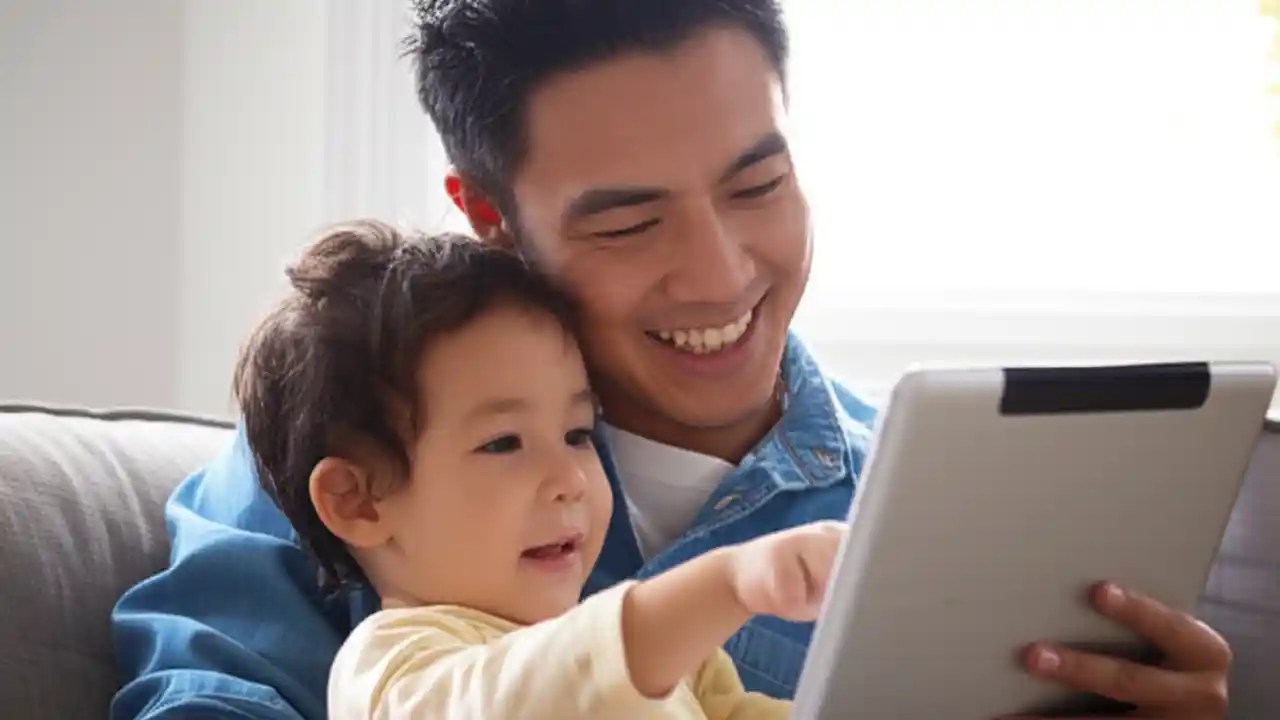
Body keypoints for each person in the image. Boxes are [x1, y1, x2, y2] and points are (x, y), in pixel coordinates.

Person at [110, 1, 1233, 718]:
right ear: (487, 212)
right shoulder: (352, 435)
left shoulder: (914, 511)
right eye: (627, 223)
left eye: (756, 185)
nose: (719, 273)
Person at [233, 220, 842, 718]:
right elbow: (529, 696)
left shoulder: (679, 658)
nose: (572, 479)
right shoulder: (393, 669)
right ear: (358, 501)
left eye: (578, 434)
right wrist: (727, 584)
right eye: (504, 443)